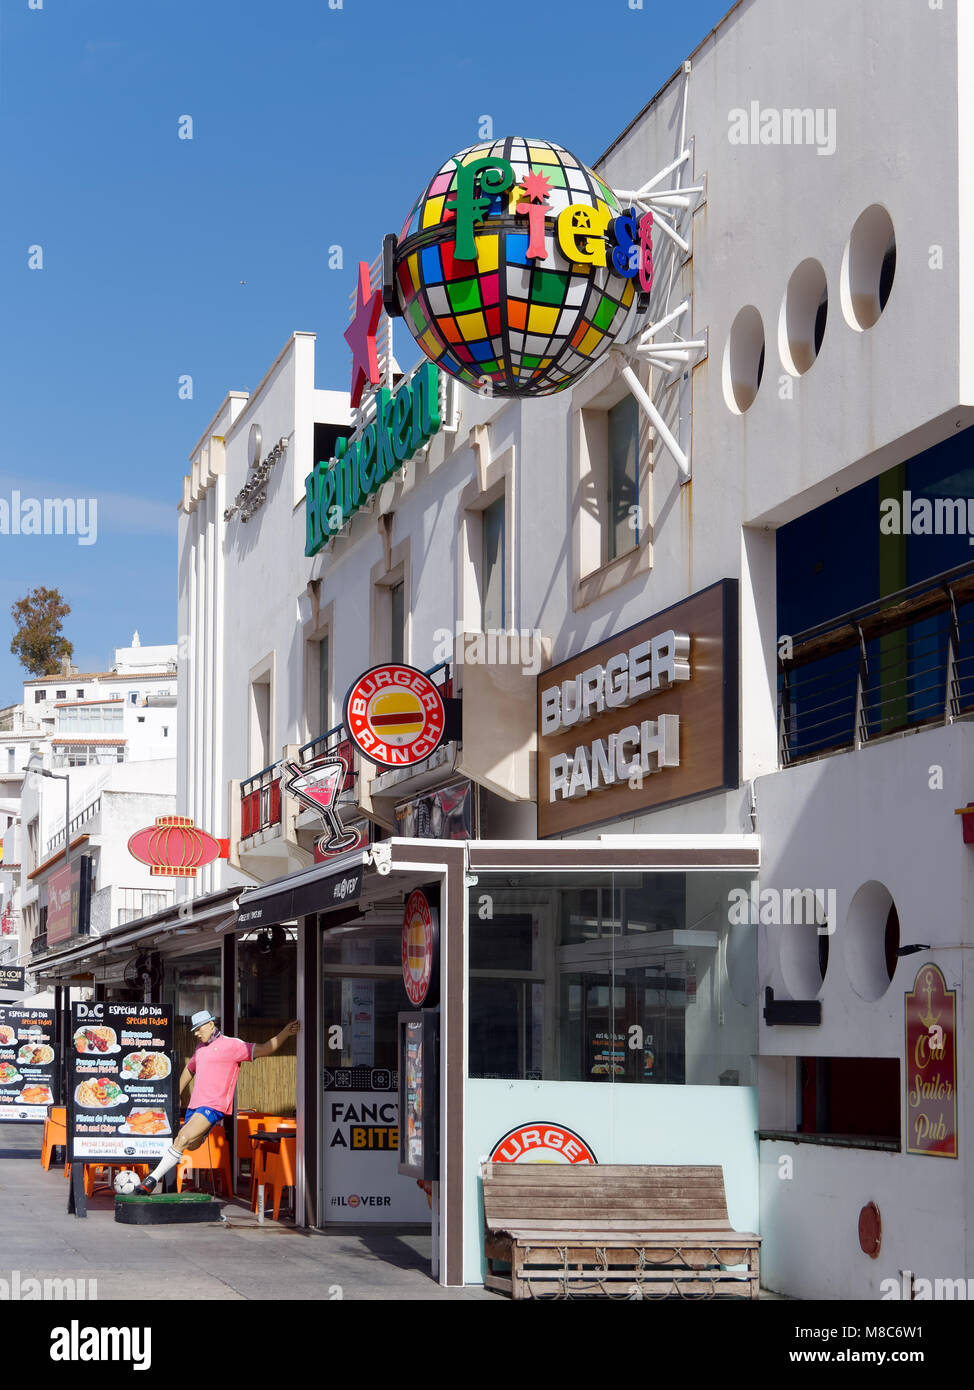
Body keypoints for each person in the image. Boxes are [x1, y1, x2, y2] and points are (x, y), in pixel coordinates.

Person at [136, 1011, 299, 1194]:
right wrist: (176, 1095)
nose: (196, 1033)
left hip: (213, 1106)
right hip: (194, 1107)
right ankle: (203, 1133)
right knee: (189, 1144)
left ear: (210, 1025)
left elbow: (266, 1048)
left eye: (198, 1029)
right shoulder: (200, 1048)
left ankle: (149, 1182)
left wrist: (285, 1033)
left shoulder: (232, 1045)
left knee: (181, 1139)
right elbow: (189, 1070)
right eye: (194, 1030)